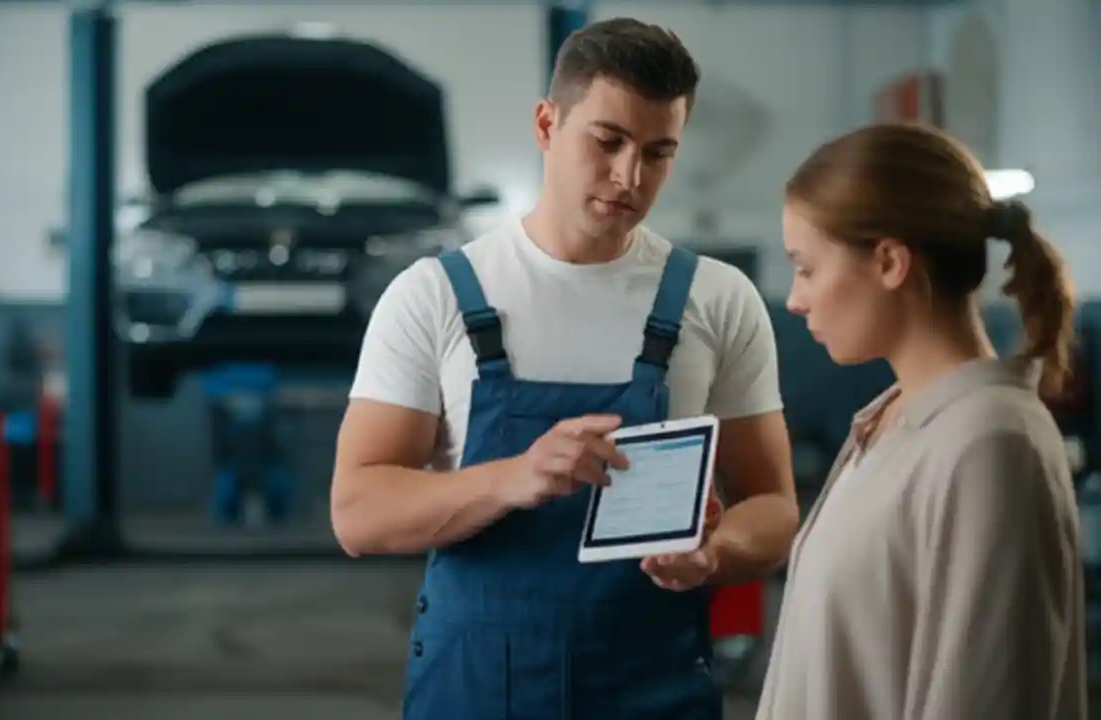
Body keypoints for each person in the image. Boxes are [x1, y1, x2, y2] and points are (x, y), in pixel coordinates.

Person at [330, 17, 799, 719]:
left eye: (658, 152)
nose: (629, 177)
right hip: (479, 689)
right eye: (607, 141)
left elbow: (775, 506)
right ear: (548, 125)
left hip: (654, 686)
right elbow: (358, 514)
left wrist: (716, 554)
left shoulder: (716, 299)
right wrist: (514, 477)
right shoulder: (435, 297)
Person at [757, 122, 1088, 720]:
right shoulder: (891, 419)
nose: (795, 299)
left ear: (888, 261)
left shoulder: (990, 444)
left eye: (806, 268)